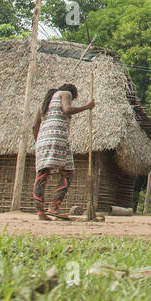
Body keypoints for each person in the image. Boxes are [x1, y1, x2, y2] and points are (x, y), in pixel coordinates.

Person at [31, 83, 95, 221]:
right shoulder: (65, 93)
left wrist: (39, 142)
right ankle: (54, 206)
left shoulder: (44, 104)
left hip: (42, 142)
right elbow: (66, 109)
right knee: (68, 172)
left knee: (42, 175)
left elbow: (34, 125)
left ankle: (40, 213)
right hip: (58, 139)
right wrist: (86, 107)